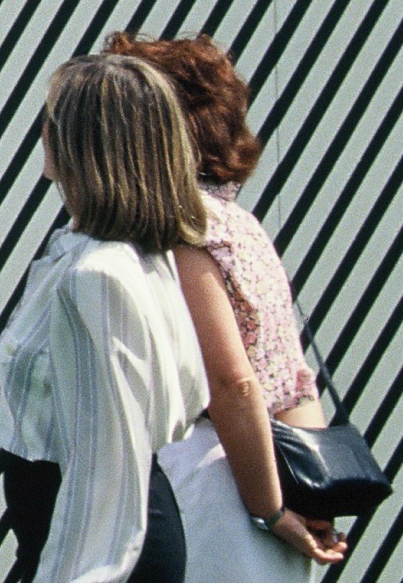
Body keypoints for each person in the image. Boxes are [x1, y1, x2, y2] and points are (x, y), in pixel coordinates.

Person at [107, 33, 348, 577]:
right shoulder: (240, 226)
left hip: (224, 482)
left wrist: (270, 513)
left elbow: (233, 384)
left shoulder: (185, 232)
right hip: (276, 469)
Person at [0, 54, 210, 582]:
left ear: (81, 145)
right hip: (78, 539)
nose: (41, 133)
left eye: (52, 121)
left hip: (93, 552)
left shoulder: (98, 276)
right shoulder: (115, 256)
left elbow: (104, 469)